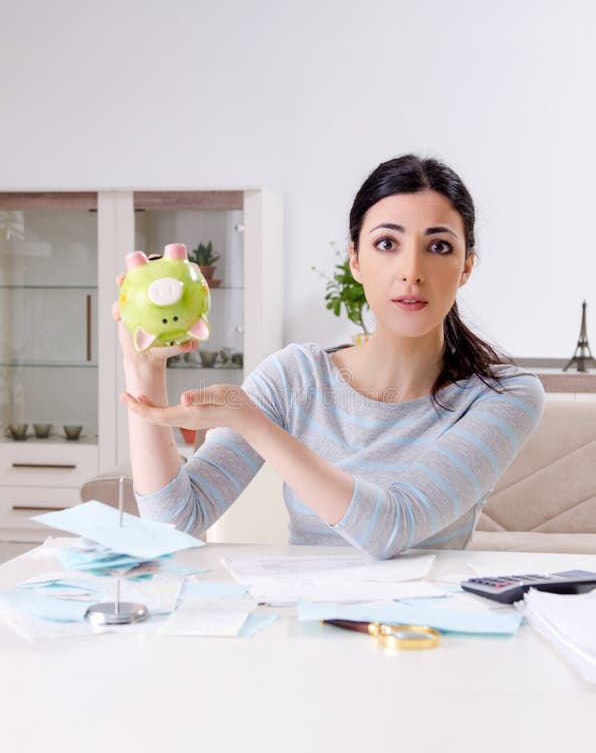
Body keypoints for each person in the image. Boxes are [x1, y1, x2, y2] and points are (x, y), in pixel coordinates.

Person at [116, 154, 544, 559]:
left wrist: (252, 422)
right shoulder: (295, 378)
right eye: (387, 243)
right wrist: (144, 367)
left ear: (467, 266)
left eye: (438, 247)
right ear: (355, 260)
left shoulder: (501, 395)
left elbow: (393, 528)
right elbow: (172, 524)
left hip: (428, 633)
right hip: (310, 625)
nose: (411, 271)